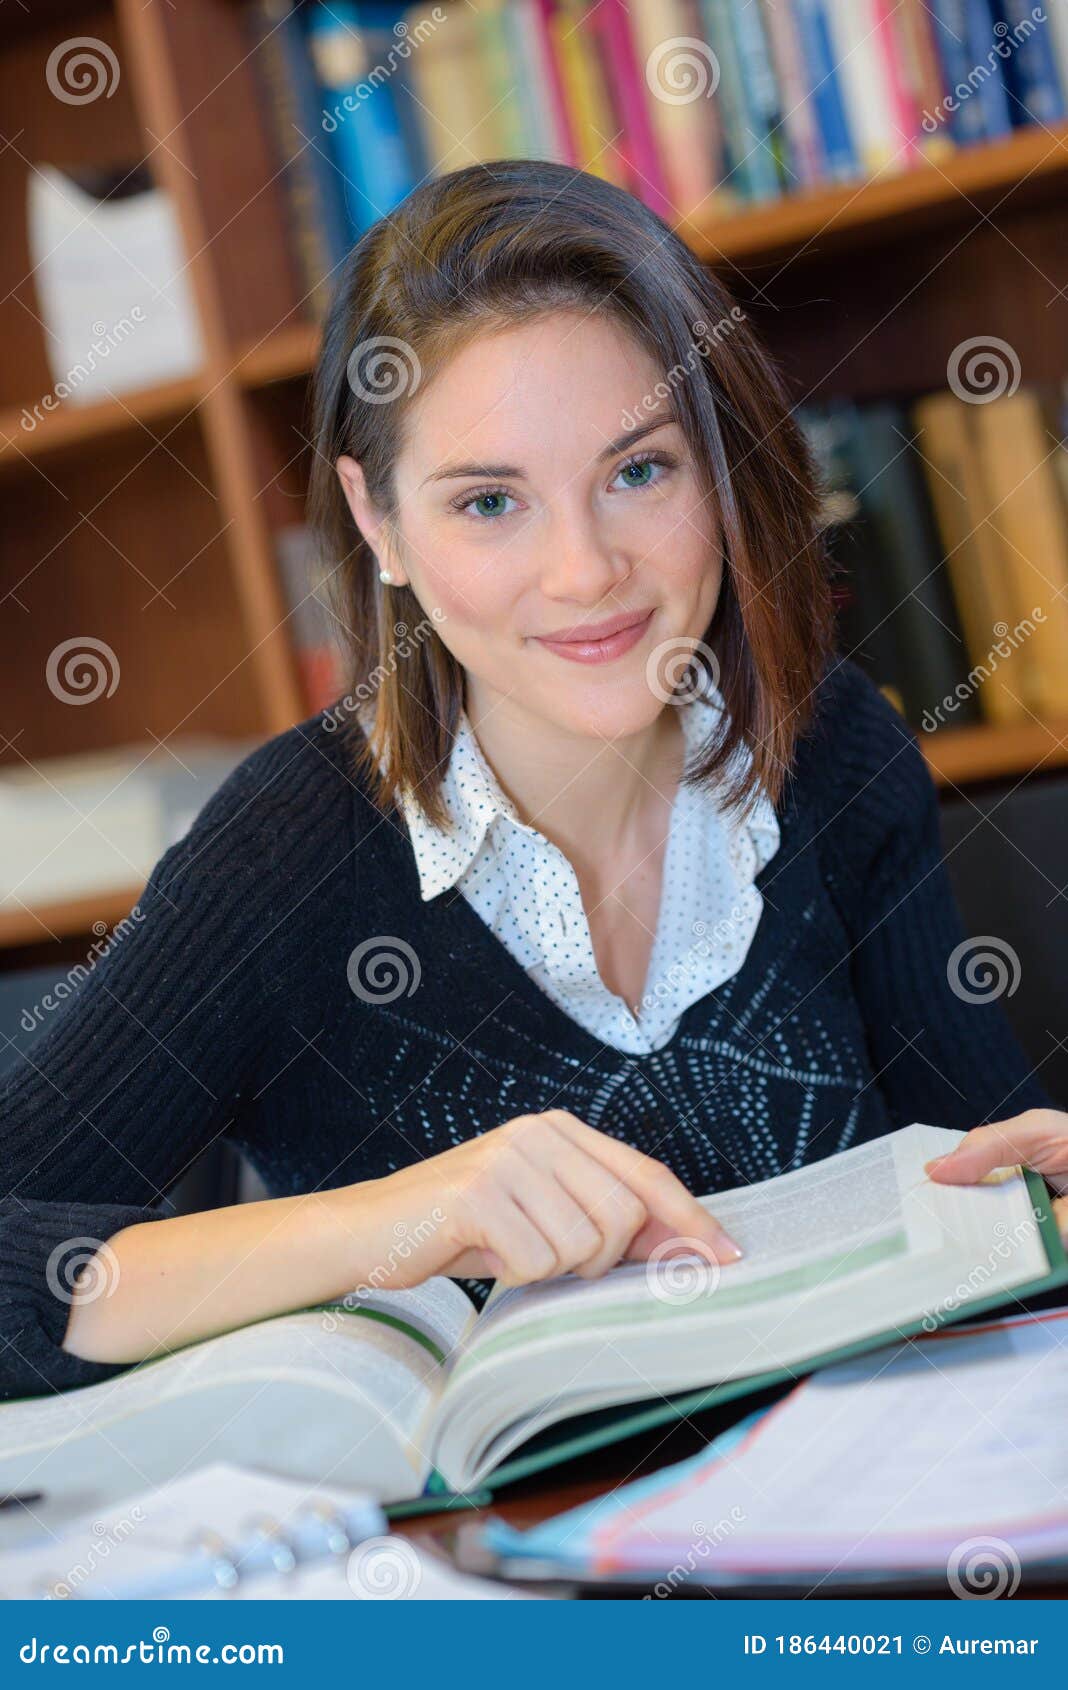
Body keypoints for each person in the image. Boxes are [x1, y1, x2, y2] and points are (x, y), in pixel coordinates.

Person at [2, 160, 1064, 1400]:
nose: (584, 571)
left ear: (719, 466)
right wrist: (409, 1215)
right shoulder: (289, 853)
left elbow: (990, 1189)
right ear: (380, 523)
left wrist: (1036, 1193)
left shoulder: (831, 746)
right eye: (490, 500)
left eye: (639, 472)